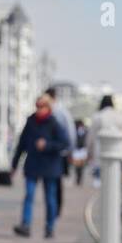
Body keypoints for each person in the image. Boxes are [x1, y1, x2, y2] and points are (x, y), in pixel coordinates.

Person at [11, 93, 68, 238]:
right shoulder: (31, 122)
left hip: (50, 166)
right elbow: (21, 144)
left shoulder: (54, 123)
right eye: (37, 106)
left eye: (42, 106)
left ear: (48, 107)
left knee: (50, 198)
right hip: (33, 164)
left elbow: (64, 143)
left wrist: (47, 145)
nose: (39, 109)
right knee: (29, 195)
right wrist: (14, 164)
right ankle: (25, 225)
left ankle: (50, 227)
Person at [47, 86, 75, 218]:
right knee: (53, 183)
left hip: (59, 152)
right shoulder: (51, 112)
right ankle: (54, 210)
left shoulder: (60, 112)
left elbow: (70, 132)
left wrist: (70, 150)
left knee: (56, 182)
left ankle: (56, 210)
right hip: (51, 151)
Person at [86, 94, 122, 170]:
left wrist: (88, 151)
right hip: (119, 153)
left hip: (99, 153)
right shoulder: (120, 116)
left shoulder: (97, 116)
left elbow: (90, 137)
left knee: (99, 178)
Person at [72, 118, 88, 185]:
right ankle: (78, 178)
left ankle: (80, 178)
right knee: (77, 166)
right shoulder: (74, 131)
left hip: (82, 150)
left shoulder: (85, 131)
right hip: (76, 150)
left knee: (81, 165)